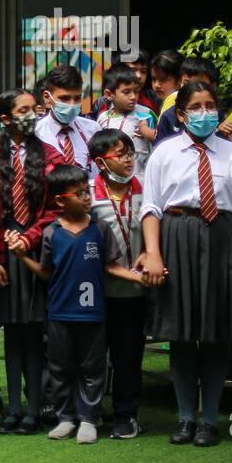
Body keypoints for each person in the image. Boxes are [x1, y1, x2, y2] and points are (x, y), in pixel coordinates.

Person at [141, 81, 232, 447]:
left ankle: (209, 421)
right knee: (182, 333)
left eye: (211, 106)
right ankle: (185, 417)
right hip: (177, 236)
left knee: (216, 333)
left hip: (222, 239)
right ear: (181, 113)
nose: (205, 113)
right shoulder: (165, 152)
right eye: (197, 106)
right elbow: (151, 208)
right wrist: (154, 252)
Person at [13, 165, 139, 444]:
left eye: (87, 191)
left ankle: (89, 419)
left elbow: (111, 266)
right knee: (60, 367)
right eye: (79, 193)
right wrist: (22, 257)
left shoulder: (100, 228)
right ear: (60, 201)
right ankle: (66, 418)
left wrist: (137, 277)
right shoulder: (51, 233)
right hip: (58, 313)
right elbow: (46, 273)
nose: (86, 197)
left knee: (92, 368)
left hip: (93, 315)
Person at [0, 89, 66, 435]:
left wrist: (30, 237)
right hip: (2, 254)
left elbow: (55, 208)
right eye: (24, 110)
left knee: (34, 332)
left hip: (36, 252)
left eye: (35, 109)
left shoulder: (51, 156)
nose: (33, 114)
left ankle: (34, 409)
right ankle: (12, 409)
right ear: (6, 118)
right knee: (11, 334)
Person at [88, 128, 147, 439]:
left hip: (135, 293)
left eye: (130, 153)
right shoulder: (89, 196)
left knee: (127, 356)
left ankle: (127, 415)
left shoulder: (146, 189)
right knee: (93, 356)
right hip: (97, 292)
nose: (128, 159)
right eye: (120, 154)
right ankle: (91, 412)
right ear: (101, 162)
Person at [37, 64, 99, 178]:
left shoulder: (93, 129)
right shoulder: (36, 132)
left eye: (77, 98)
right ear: (47, 97)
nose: (72, 105)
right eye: (64, 98)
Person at [96, 64, 158, 177]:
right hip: (112, 180)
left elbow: (160, 141)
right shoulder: (102, 118)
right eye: (127, 92)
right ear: (109, 95)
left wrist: (146, 132)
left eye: (136, 91)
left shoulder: (146, 114)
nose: (133, 97)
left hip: (142, 179)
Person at [153, 55, 218, 143]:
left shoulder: (218, 117)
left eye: (200, 85)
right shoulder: (169, 116)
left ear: (213, 86)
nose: (193, 89)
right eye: (187, 83)